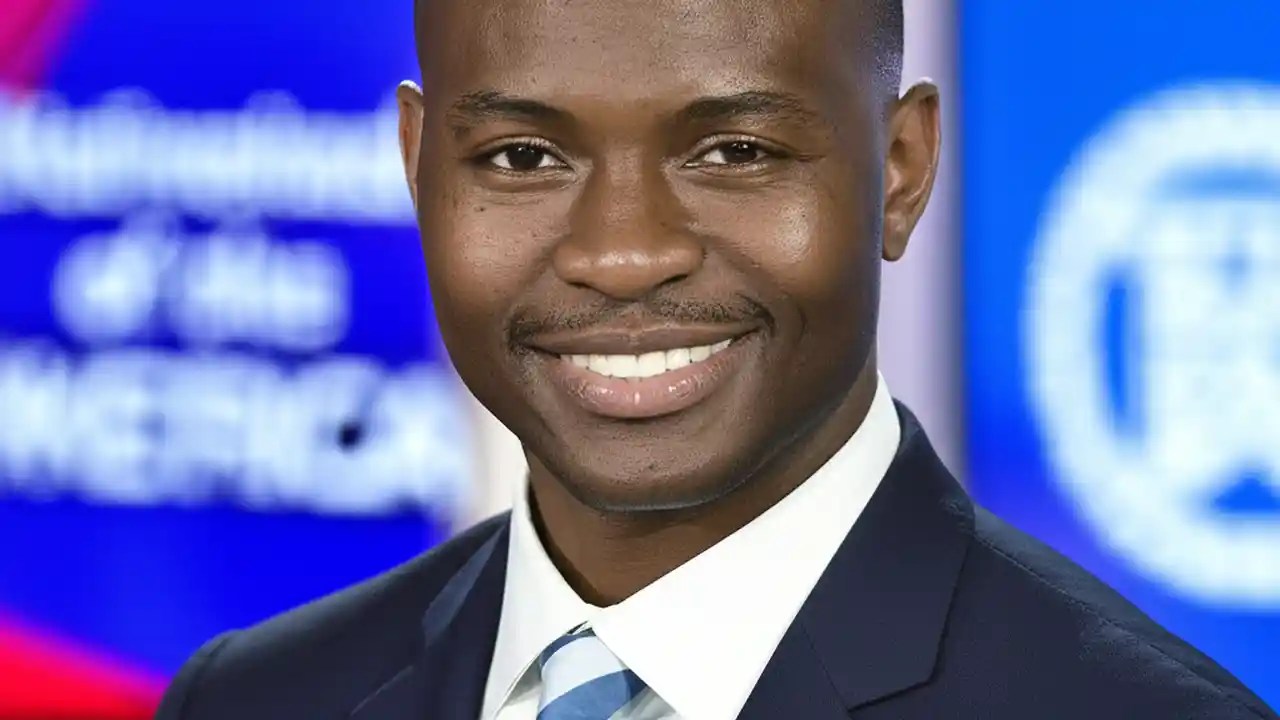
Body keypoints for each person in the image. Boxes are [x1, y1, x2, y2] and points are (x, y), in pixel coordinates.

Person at [155, 0, 1278, 718]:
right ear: (417, 171)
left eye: (735, 150)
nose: (622, 253)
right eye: (523, 154)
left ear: (900, 168)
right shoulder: (251, 697)